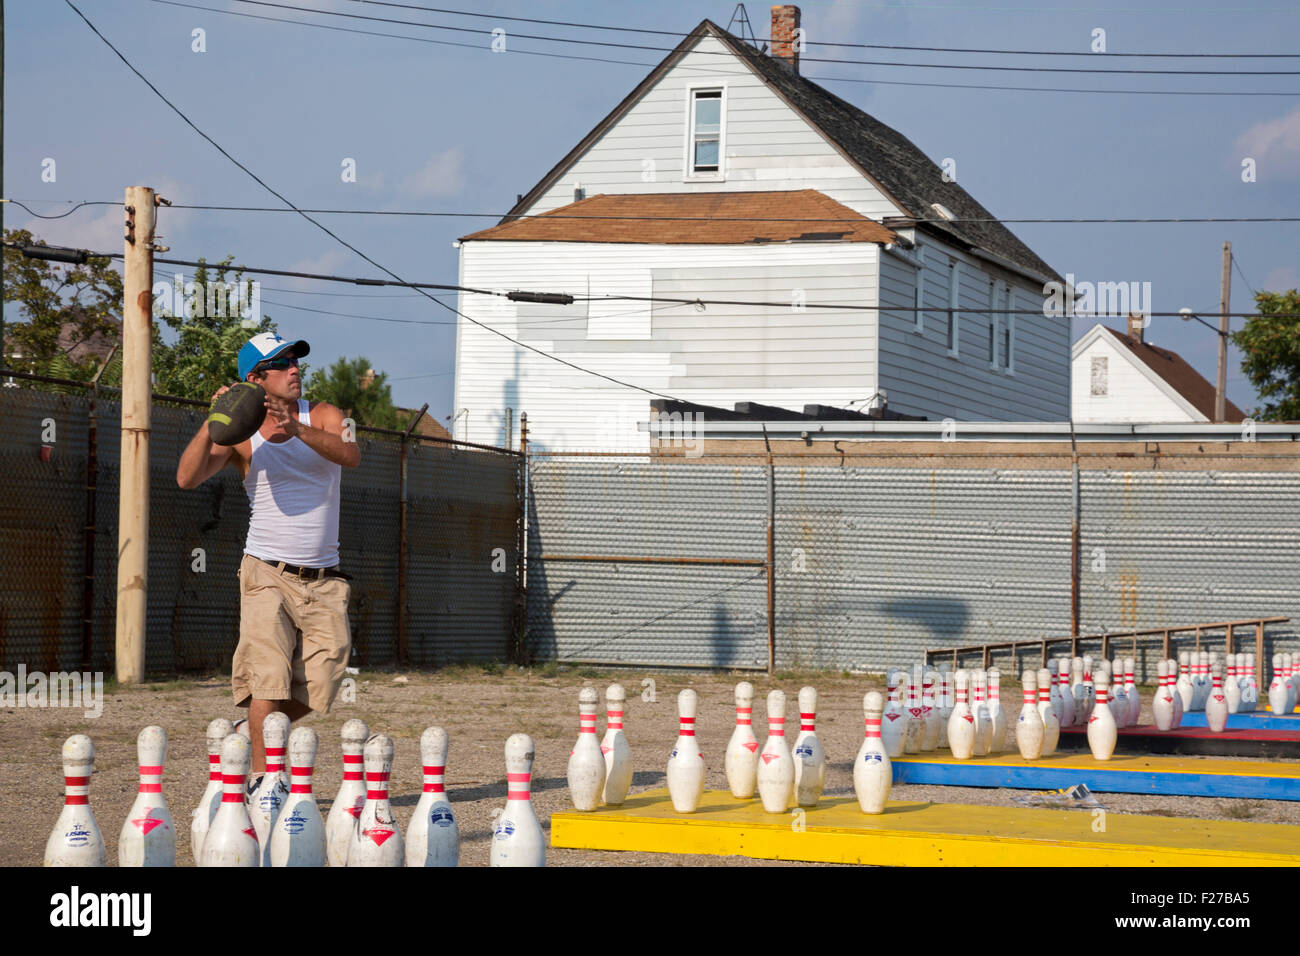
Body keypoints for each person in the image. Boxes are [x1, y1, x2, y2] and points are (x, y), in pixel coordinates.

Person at [176, 332, 360, 781]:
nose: (295, 368)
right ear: (256, 379)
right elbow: (186, 478)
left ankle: (246, 730)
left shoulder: (326, 414)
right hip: (265, 572)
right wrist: (213, 421)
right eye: (283, 364)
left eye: (296, 360)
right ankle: (265, 784)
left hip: (324, 577)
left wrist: (296, 427)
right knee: (268, 681)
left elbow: (351, 455)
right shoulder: (240, 435)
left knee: (323, 684)